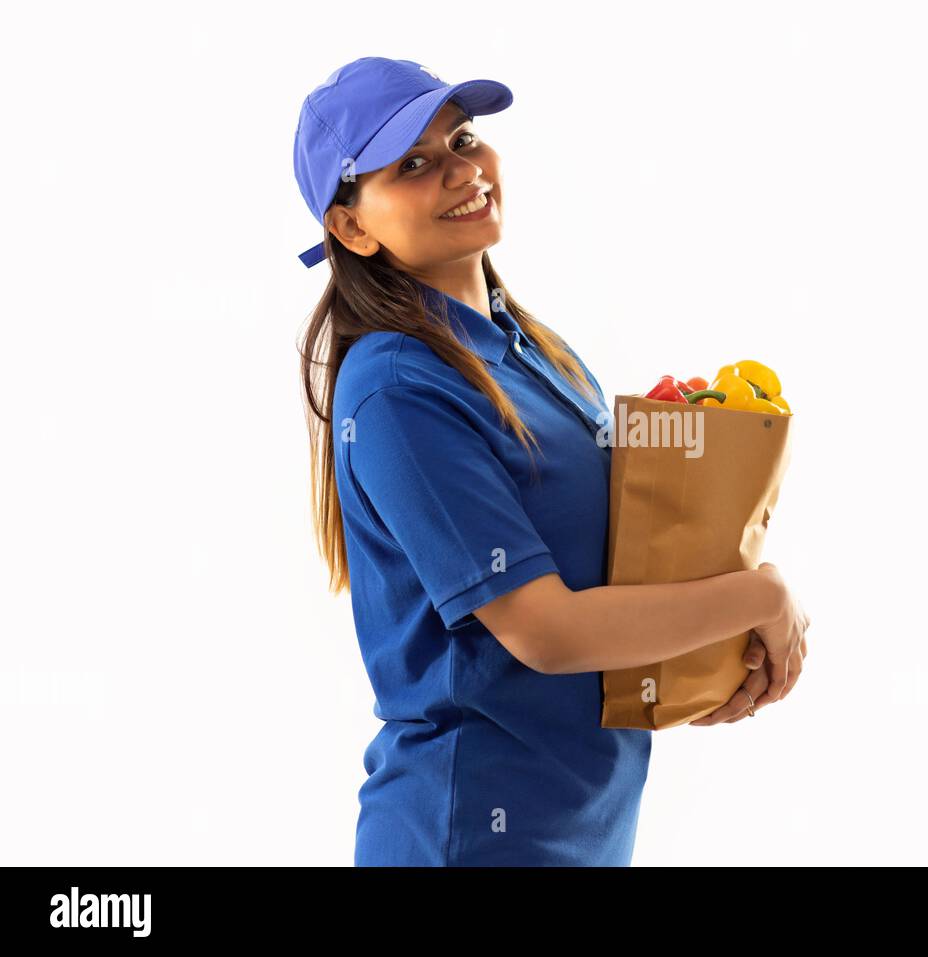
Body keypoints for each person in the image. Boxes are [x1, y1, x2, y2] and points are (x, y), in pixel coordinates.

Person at [292, 57, 811, 866]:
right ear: (353, 227)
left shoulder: (531, 349)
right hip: (470, 836)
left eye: (462, 138)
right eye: (415, 164)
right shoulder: (397, 388)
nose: (463, 169)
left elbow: (598, 583)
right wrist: (758, 595)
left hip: (580, 830)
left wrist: (694, 669)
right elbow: (545, 631)